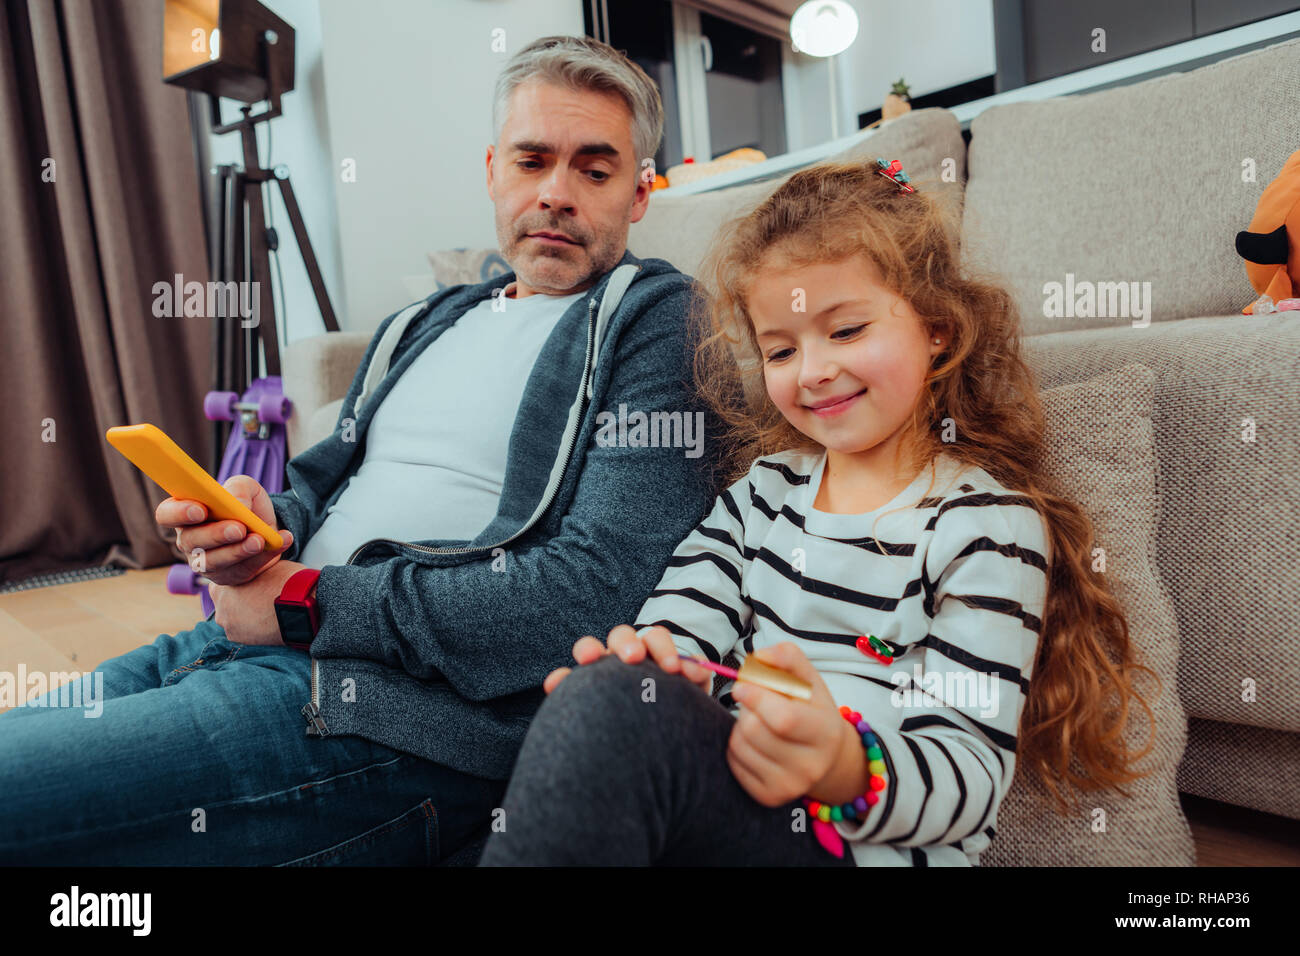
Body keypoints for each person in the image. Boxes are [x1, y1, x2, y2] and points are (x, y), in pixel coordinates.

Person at [0, 35, 722, 865]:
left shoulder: (657, 319)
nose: (556, 194)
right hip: (233, 644)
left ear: (639, 193)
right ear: (493, 169)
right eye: (532, 160)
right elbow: (316, 487)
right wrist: (257, 524)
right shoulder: (427, 321)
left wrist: (308, 599)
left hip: (381, 710)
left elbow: (591, 594)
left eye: (595, 171)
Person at [479, 159, 1161, 866]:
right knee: (608, 695)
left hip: (854, 848)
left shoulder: (986, 526)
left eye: (845, 330)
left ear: (937, 327)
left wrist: (841, 763)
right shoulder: (761, 497)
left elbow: (969, 773)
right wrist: (644, 669)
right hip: (729, 812)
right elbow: (680, 629)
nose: (811, 371)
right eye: (781, 348)